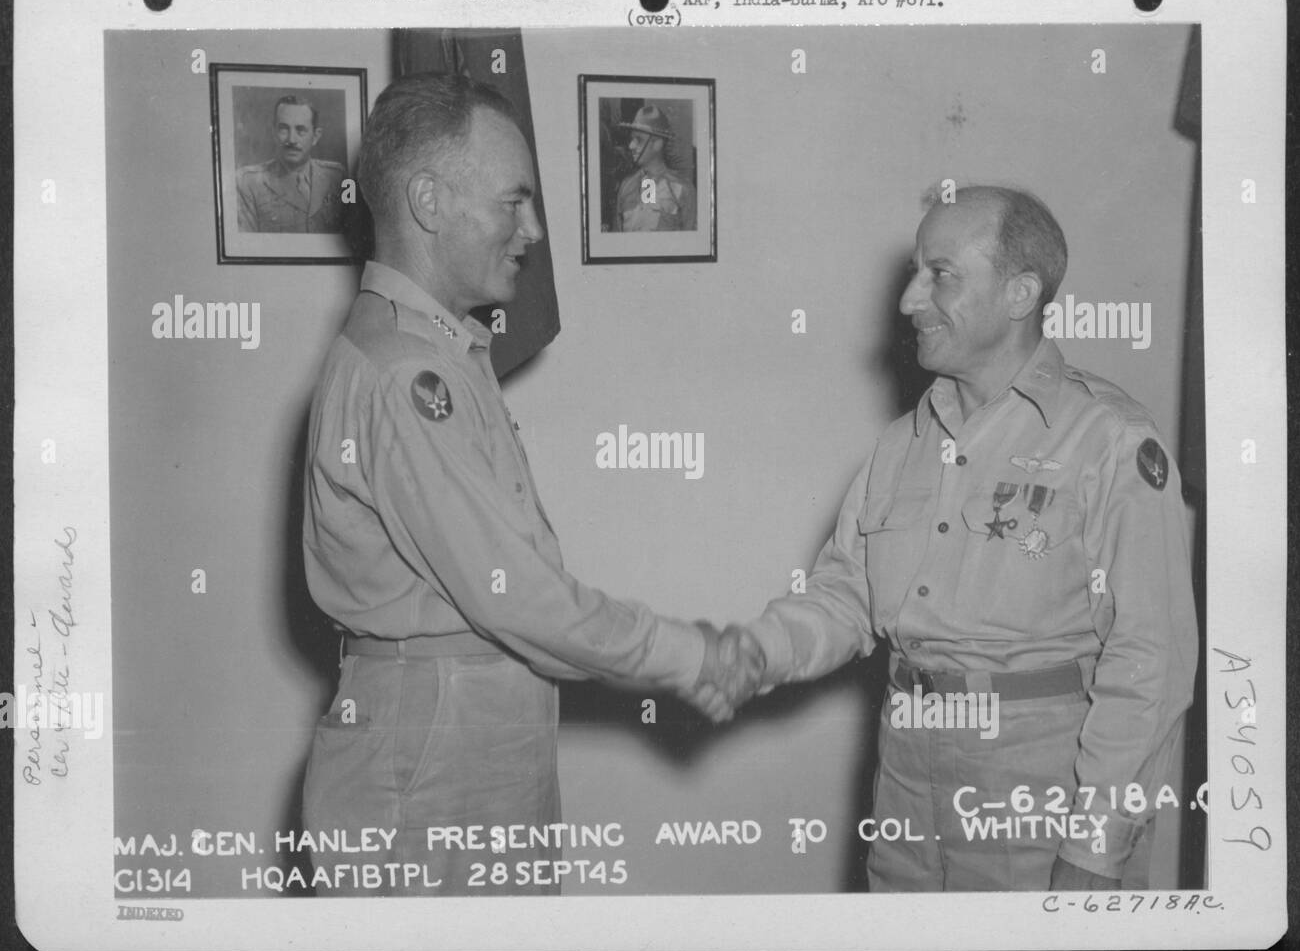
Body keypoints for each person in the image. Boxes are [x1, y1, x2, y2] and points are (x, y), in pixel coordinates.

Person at [300, 73, 735, 897]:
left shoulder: (438, 352)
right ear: (428, 200)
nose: (533, 231)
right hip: (434, 741)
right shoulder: (405, 374)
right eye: (514, 201)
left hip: (471, 722)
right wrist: (689, 654)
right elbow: (518, 597)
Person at [719, 186, 1197, 893]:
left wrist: (1096, 847)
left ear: (1020, 292)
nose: (910, 299)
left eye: (940, 274)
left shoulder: (1111, 441)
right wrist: (745, 654)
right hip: (906, 768)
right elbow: (847, 594)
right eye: (915, 272)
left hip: (1040, 785)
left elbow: (1151, 661)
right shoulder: (902, 442)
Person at [237, 95, 346, 233]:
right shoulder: (247, 182)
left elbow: (354, 229)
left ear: (316, 136)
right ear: (274, 133)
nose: (291, 139)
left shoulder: (341, 177)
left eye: (300, 130)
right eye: (283, 129)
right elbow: (244, 246)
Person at [613, 105, 697, 232]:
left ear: (657, 144)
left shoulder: (682, 190)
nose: (631, 146)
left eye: (639, 140)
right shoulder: (626, 187)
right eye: (632, 139)